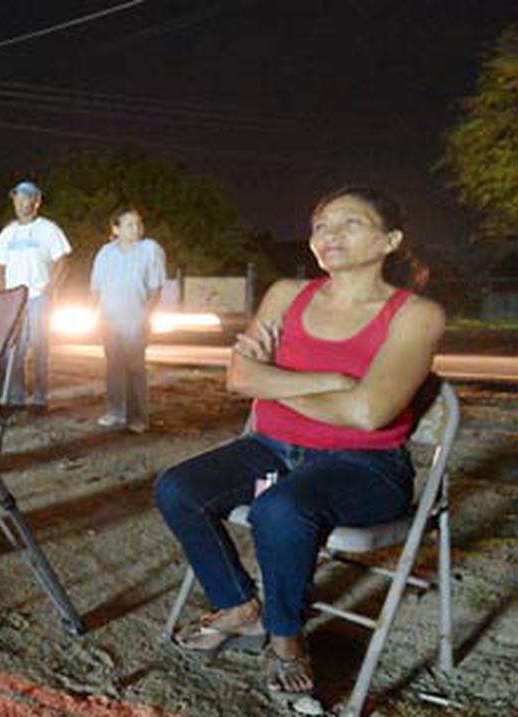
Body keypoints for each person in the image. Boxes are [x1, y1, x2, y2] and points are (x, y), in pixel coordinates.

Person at [154, 187, 445, 700]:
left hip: (365, 467)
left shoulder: (416, 314)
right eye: (321, 225)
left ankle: (286, 636)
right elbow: (241, 377)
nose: (329, 234)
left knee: (279, 510)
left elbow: (370, 414)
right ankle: (242, 607)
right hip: (272, 451)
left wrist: (279, 382)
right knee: (179, 488)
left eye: (349, 223)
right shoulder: (288, 294)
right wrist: (335, 381)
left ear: (390, 240)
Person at [0, 180, 71, 411]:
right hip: (14, 301)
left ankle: (39, 398)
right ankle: (15, 397)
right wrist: (4, 294)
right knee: (13, 349)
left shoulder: (48, 229)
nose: (21, 203)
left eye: (26, 198)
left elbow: (62, 260)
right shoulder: (8, 233)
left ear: (36, 202)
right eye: (17, 199)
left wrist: (50, 287)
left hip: (38, 298)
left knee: (40, 347)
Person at [89, 206, 166, 433]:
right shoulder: (105, 253)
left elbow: (156, 288)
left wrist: (147, 315)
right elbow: (96, 287)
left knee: (135, 367)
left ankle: (139, 417)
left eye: (139, 223)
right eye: (130, 224)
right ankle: (115, 411)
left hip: (135, 317)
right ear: (116, 228)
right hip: (109, 318)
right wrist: (95, 314)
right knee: (113, 366)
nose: (136, 228)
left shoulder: (150, 250)